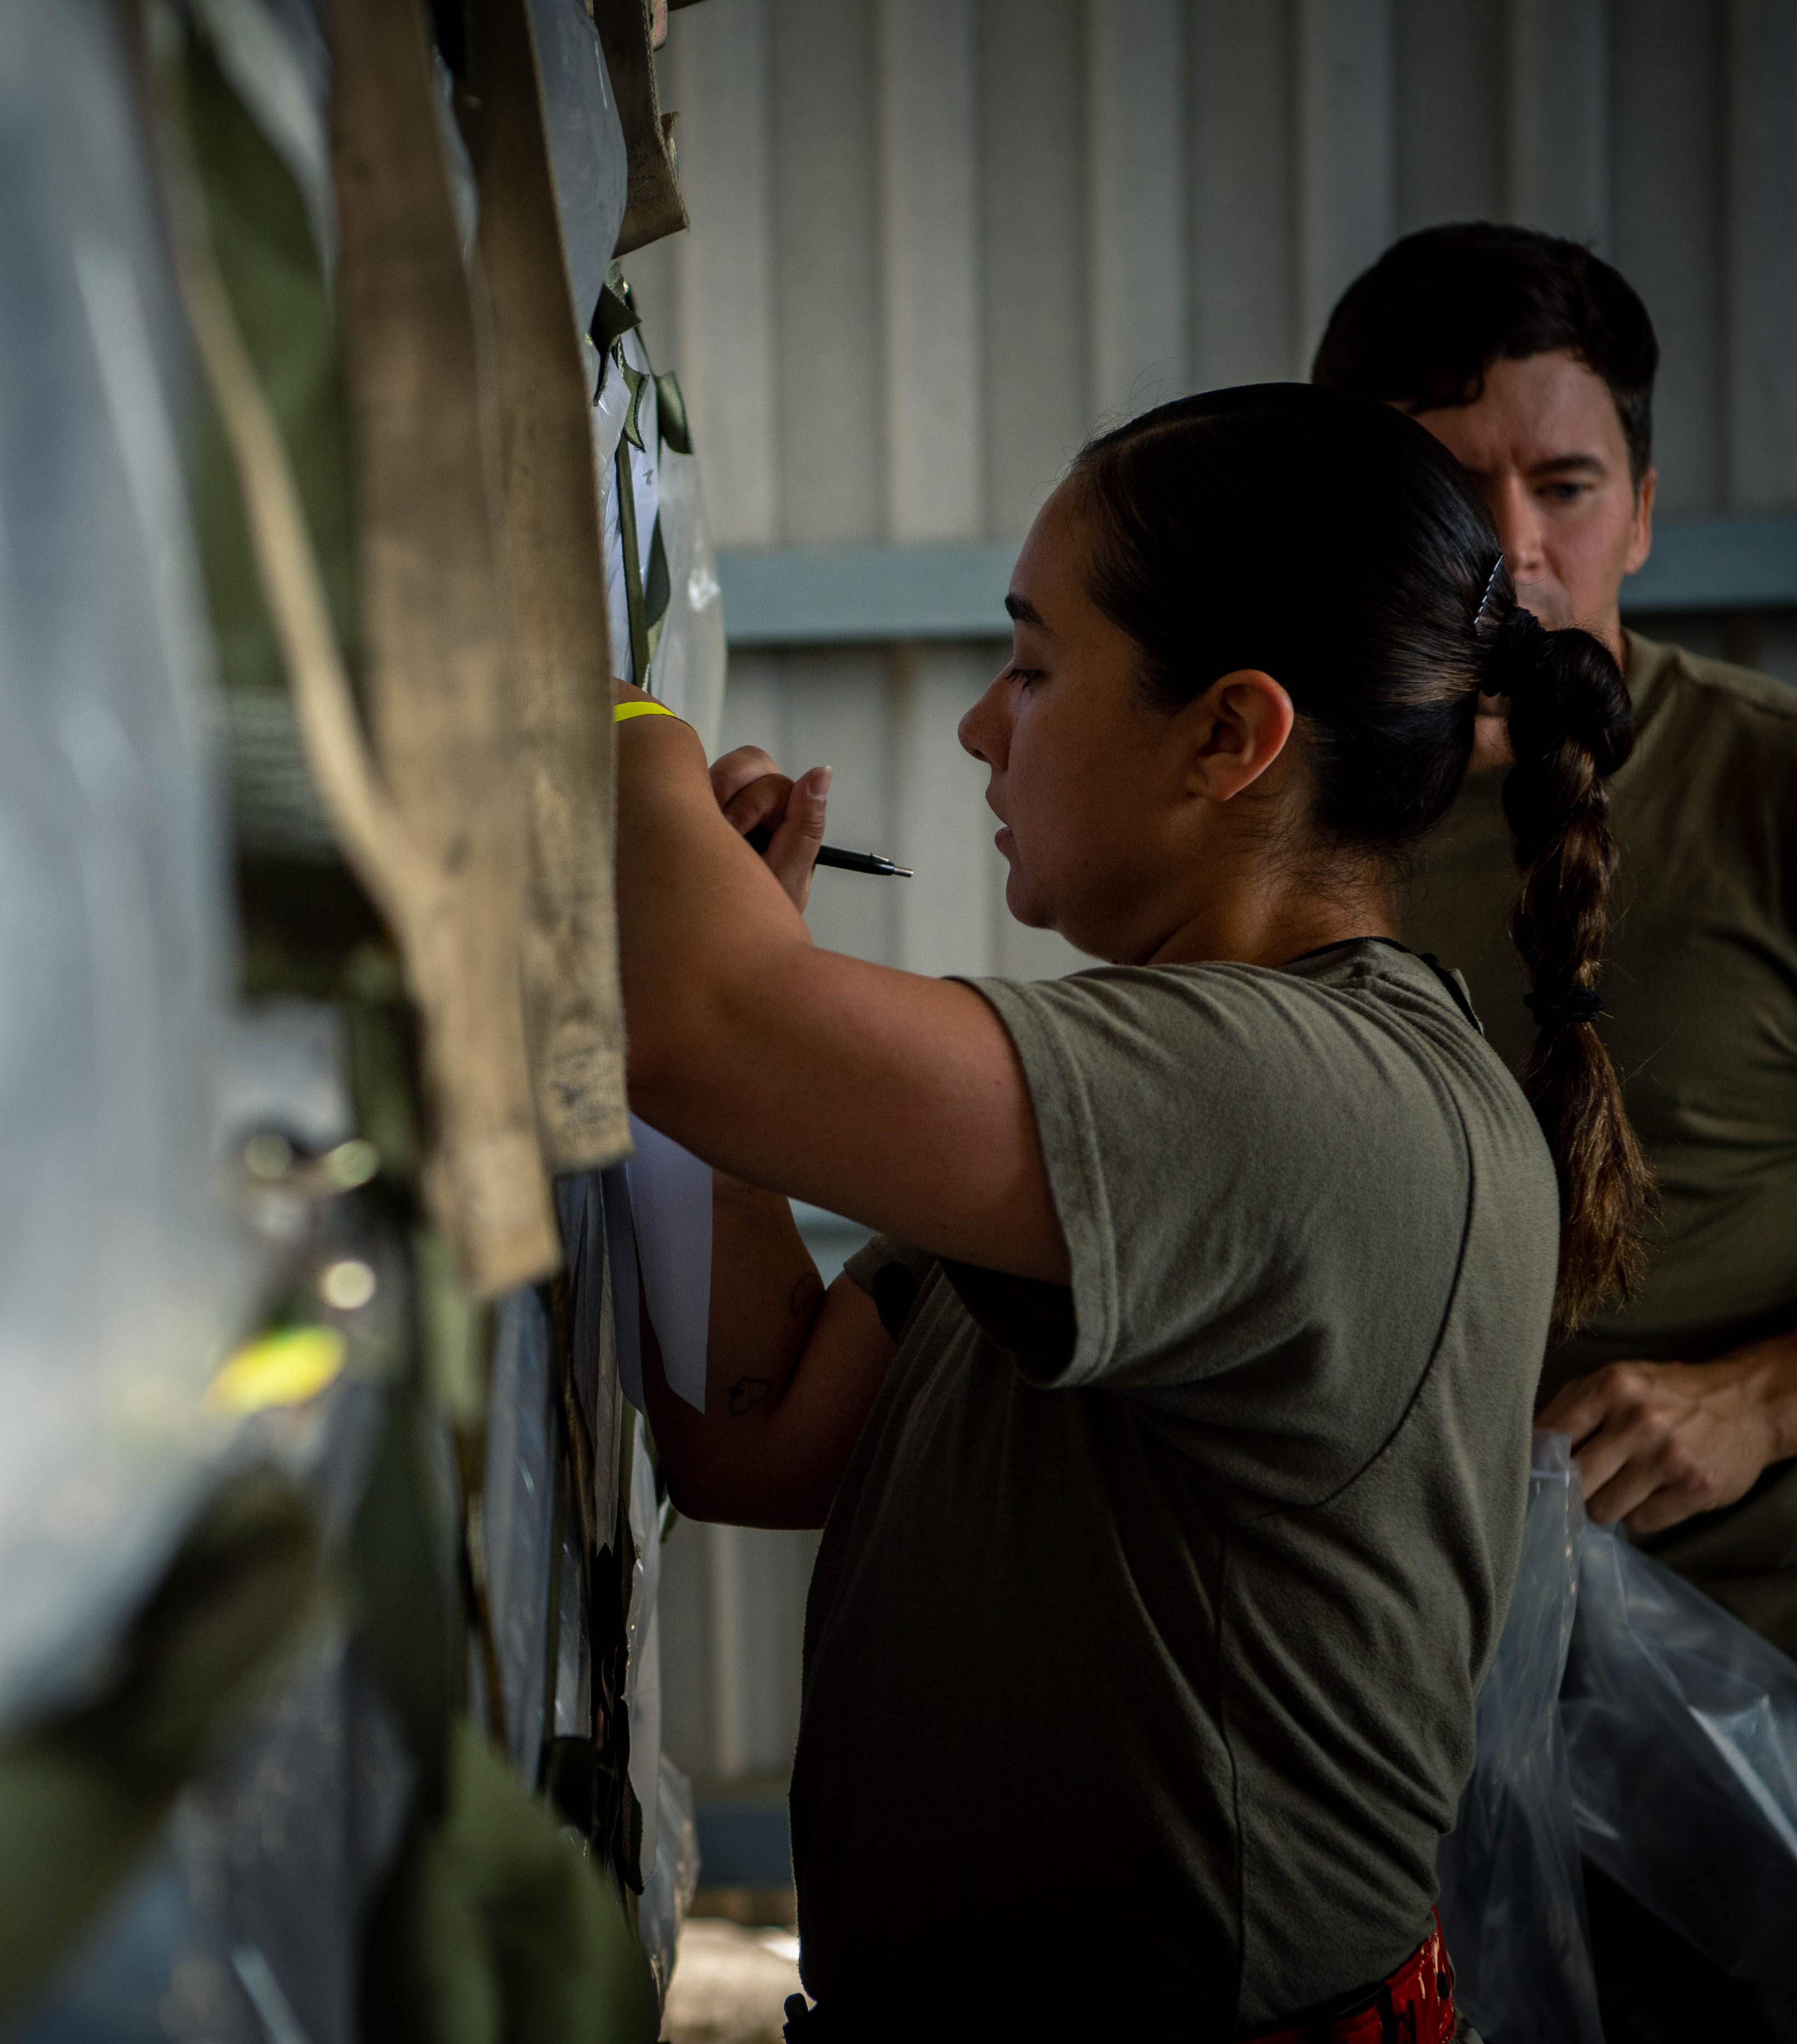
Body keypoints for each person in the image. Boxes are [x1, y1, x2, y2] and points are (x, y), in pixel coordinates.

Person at [611, 382, 1639, 2038]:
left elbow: (693, 1020)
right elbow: (760, 1438)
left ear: (1232, 737)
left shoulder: (1290, 1099)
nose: (977, 729)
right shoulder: (1166, 1095)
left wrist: (603, 711)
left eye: (1032, 668)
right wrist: (746, 1026)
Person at [1314, 220, 1797, 2038]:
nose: (1519, 549)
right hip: (1371, 1728)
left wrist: (1760, 1402)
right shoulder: (1256, 812)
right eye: (1454, 491)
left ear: (1648, 505)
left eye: (1568, 483)